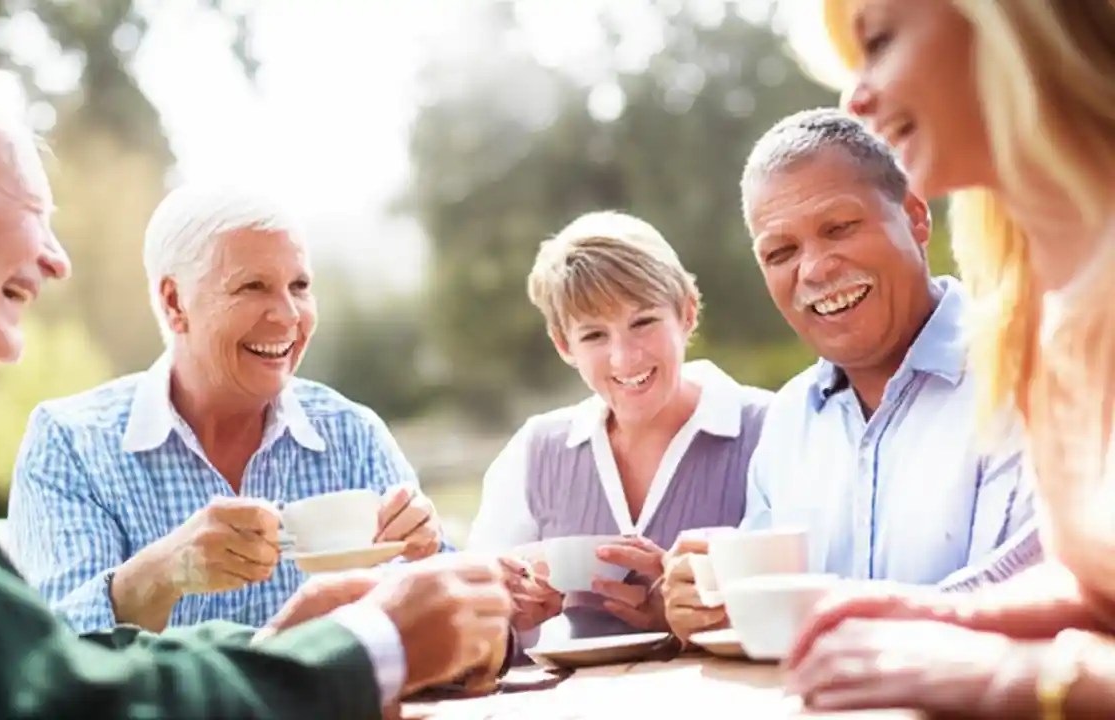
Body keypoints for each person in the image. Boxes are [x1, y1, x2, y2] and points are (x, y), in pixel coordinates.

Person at [0, 51, 512, 718]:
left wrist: (306, 644)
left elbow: (13, 677)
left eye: (300, 285)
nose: (56, 259)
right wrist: (364, 645)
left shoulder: (352, 428)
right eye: (30, 208)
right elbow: (46, 692)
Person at [783, 1, 1115, 716]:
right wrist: (942, 619)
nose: (856, 97)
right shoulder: (1035, 306)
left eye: (879, 44)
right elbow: (1101, 589)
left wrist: (1014, 676)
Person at [662, 108, 1038, 642]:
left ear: (915, 216)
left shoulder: (1024, 370)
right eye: (781, 252)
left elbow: (1023, 596)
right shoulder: (787, 422)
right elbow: (756, 613)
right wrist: (710, 602)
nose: (813, 269)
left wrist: (825, 620)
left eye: (839, 228)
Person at [8, 184, 447, 633]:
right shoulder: (70, 444)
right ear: (175, 303)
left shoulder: (353, 434)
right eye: (253, 286)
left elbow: (470, 621)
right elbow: (50, 658)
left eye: (299, 286)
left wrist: (425, 559)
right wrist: (161, 574)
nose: (288, 315)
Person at [467, 210, 772, 641]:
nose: (624, 359)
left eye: (643, 322)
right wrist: (513, 618)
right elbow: (471, 619)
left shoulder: (769, 430)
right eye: (594, 336)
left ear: (686, 313)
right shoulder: (535, 451)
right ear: (563, 345)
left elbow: (807, 597)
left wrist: (694, 616)